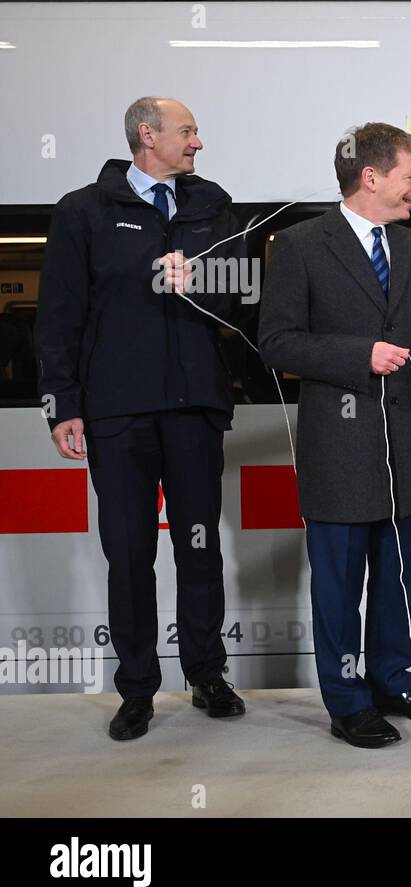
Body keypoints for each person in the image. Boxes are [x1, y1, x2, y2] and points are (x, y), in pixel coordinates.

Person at [259, 123, 411, 748]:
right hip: (338, 450)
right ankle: (348, 700)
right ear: (372, 177)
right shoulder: (301, 245)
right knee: (338, 587)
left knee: (397, 577)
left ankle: (394, 679)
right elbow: (277, 342)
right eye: (410, 175)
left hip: (405, 445)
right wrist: (359, 354)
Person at [35, 96, 246, 741]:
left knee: (199, 547)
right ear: (147, 135)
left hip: (194, 411)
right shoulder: (83, 210)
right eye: (188, 131)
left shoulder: (213, 203)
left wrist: (205, 278)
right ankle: (136, 690)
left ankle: (207, 674)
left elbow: (248, 292)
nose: (198, 143)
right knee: (128, 554)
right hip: (116, 414)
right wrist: (62, 405)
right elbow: (58, 317)